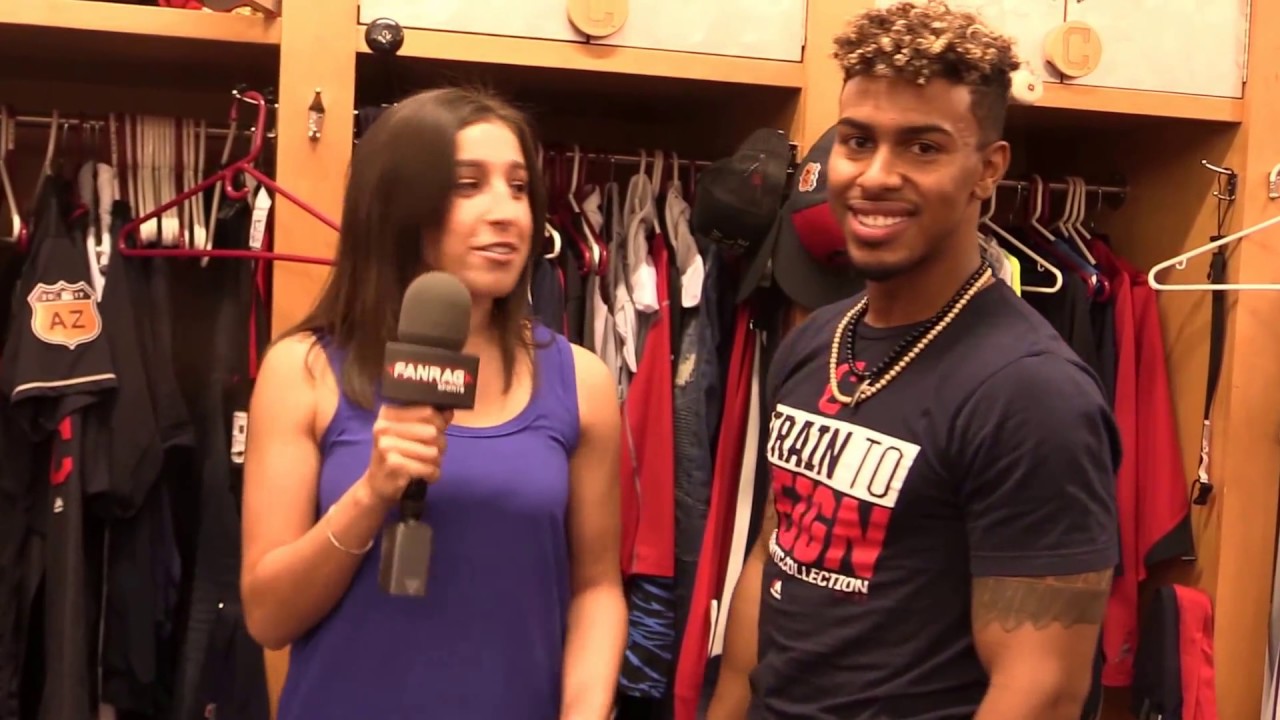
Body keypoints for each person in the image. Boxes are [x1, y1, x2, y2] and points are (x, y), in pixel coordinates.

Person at [705, 2, 1121, 719]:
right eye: (858, 141)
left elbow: (1044, 690)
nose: (876, 175)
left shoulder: (1033, 394)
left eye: (922, 147)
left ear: (987, 169)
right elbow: (777, 551)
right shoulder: (815, 342)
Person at [239, 87, 629, 720]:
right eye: (467, 185)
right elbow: (267, 617)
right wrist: (371, 494)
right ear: (400, 205)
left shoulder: (581, 381)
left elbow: (597, 588)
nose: (506, 212)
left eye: (519, 187)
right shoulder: (303, 372)